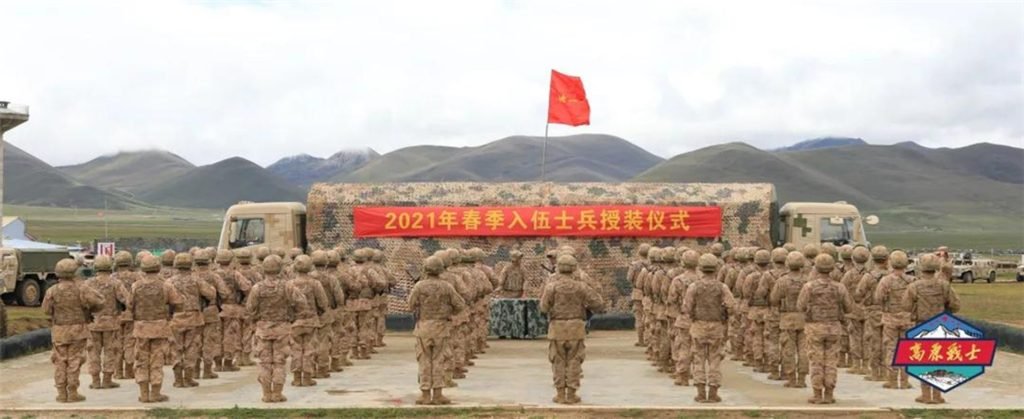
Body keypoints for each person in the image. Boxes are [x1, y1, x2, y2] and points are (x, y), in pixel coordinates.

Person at [540, 254, 605, 404]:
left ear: (558, 268)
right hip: (576, 327)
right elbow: (598, 303)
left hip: (557, 328)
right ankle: (571, 394)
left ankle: (560, 394)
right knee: (575, 360)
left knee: (558, 360)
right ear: (574, 268)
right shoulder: (581, 286)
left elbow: (543, 307)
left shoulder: (551, 287)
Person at [247, 254, 309, 402]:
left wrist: (259, 318)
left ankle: (266, 394)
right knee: (279, 362)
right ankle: (277, 393)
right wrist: (294, 316)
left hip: (263, 329)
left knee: (265, 363)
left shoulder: (257, 288)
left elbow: (250, 308)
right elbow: (302, 303)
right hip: (282, 328)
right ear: (280, 268)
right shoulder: (288, 286)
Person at [43, 259, 105, 403]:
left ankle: (61, 393)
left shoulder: (52, 290)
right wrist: (89, 310)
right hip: (78, 330)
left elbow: (46, 310)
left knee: (59, 361)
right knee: (75, 361)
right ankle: (72, 392)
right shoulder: (82, 288)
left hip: (59, 330)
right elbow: (100, 302)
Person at [408, 255, 467, 405]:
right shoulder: (447, 286)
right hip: (441, 327)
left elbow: (410, 305)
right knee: (439, 360)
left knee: (424, 361)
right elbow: (460, 304)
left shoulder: (419, 286)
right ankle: (438, 394)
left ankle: (425, 394)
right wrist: (448, 314)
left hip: (423, 328)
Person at [903, 254, 961, 404]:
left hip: (921, 326)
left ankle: (925, 394)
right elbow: (955, 305)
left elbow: (906, 306)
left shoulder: (914, 286)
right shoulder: (944, 285)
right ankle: (937, 394)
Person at [797, 254, 854, 404]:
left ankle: (817, 394)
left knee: (816, 360)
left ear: (816, 268)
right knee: (831, 361)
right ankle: (829, 393)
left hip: (814, 328)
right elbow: (849, 308)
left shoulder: (809, 287)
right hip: (834, 327)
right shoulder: (840, 287)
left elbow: (800, 306)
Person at [127, 254, 183, 403]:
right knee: (157, 360)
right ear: (158, 268)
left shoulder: (136, 286)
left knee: (141, 360)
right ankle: (156, 393)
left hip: (141, 328)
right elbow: (178, 302)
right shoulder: (165, 285)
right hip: (160, 327)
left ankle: (144, 394)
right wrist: (169, 313)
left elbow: (129, 304)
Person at [683, 253, 736, 403]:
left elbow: (686, 307)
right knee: (715, 359)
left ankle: (700, 392)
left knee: (698, 358)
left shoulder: (694, 287)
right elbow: (732, 306)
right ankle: (713, 392)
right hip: (716, 327)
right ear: (716, 268)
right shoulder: (722, 287)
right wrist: (725, 315)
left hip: (698, 326)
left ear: (700, 268)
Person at [168, 253, 216, 388]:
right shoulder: (196, 280)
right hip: (193, 318)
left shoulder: (169, 282)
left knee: (175, 348)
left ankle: (178, 379)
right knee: (192, 347)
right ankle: (188, 378)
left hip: (176, 318)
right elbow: (211, 294)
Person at [84, 255, 129, 390]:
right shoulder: (115, 283)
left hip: (93, 323)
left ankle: (95, 380)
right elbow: (126, 300)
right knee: (110, 351)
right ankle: (107, 380)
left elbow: (82, 302)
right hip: (111, 323)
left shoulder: (88, 284)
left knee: (93, 352)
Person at [875, 250, 915, 390]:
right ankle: (904, 381)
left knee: (891, 348)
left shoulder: (885, 280)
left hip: (890, 319)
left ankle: (892, 380)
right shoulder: (912, 281)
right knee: (906, 349)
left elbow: (878, 298)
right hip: (907, 319)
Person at [289, 254, 329, 387]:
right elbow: (323, 303)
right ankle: (307, 377)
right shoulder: (315, 283)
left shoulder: (289, 284)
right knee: (309, 349)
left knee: (295, 350)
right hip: (311, 321)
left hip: (295, 322)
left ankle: (296, 378)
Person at [771, 251, 810, 388]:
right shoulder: (807, 281)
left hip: (787, 318)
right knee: (804, 350)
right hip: (804, 318)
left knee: (788, 349)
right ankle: (802, 379)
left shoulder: (782, 281)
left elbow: (774, 299)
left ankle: (791, 378)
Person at [194, 250, 230, 380]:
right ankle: (207, 370)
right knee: (209, 341)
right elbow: (224, 293)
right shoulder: (214, 277)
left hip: (194, 313)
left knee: (195, 341)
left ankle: (195, 370)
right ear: (209, 262)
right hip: (210, 311)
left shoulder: (192, 277)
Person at [856, 245, 890, 382]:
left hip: (872, 312)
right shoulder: (891, 276)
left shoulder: (868, 276)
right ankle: (887, 372)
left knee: (874, 342)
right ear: (886, 258)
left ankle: (876, 372)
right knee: (888, 343)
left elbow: (858, 294)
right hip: (888, 312)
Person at [214, 249, 251, 372]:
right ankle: (228, 363)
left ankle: (217, 364)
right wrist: (243, 303)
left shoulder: (213, 274)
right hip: (231, 308)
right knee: (230, 336)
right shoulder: (235, 274)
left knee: (216, 336)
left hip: (215, 309)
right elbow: (247, 288)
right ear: (230, 260)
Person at [668, 249, 700, 386]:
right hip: (700, 319)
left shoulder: (678, 280)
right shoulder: (702, 280)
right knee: (698, 349)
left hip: (684, 318)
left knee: (683, 347)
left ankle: (682, 376)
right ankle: (699, 376)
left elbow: (672, 300)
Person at [841, 246, 870, 375]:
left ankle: (856, 364)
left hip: (853, 310)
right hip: (868, 310)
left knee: (854, 338)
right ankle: (866, 364)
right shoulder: (870, 274)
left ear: (853, 258)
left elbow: (842, 291)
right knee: (867, 338)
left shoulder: (848, 275)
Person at [113, 250, 141, 380]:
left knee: (116, 343)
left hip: (115, 316)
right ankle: (129, 371)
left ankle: (118, 372)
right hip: (131, 314)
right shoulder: (137, 277)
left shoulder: (112, 278)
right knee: (130, 343)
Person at [235, 248, 262, 367]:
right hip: (249, 306)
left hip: (235, 306)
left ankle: (238, 356)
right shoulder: (255, 274)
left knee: (236, 331)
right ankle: (246, 356)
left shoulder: (234, 272)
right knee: (247, 331)